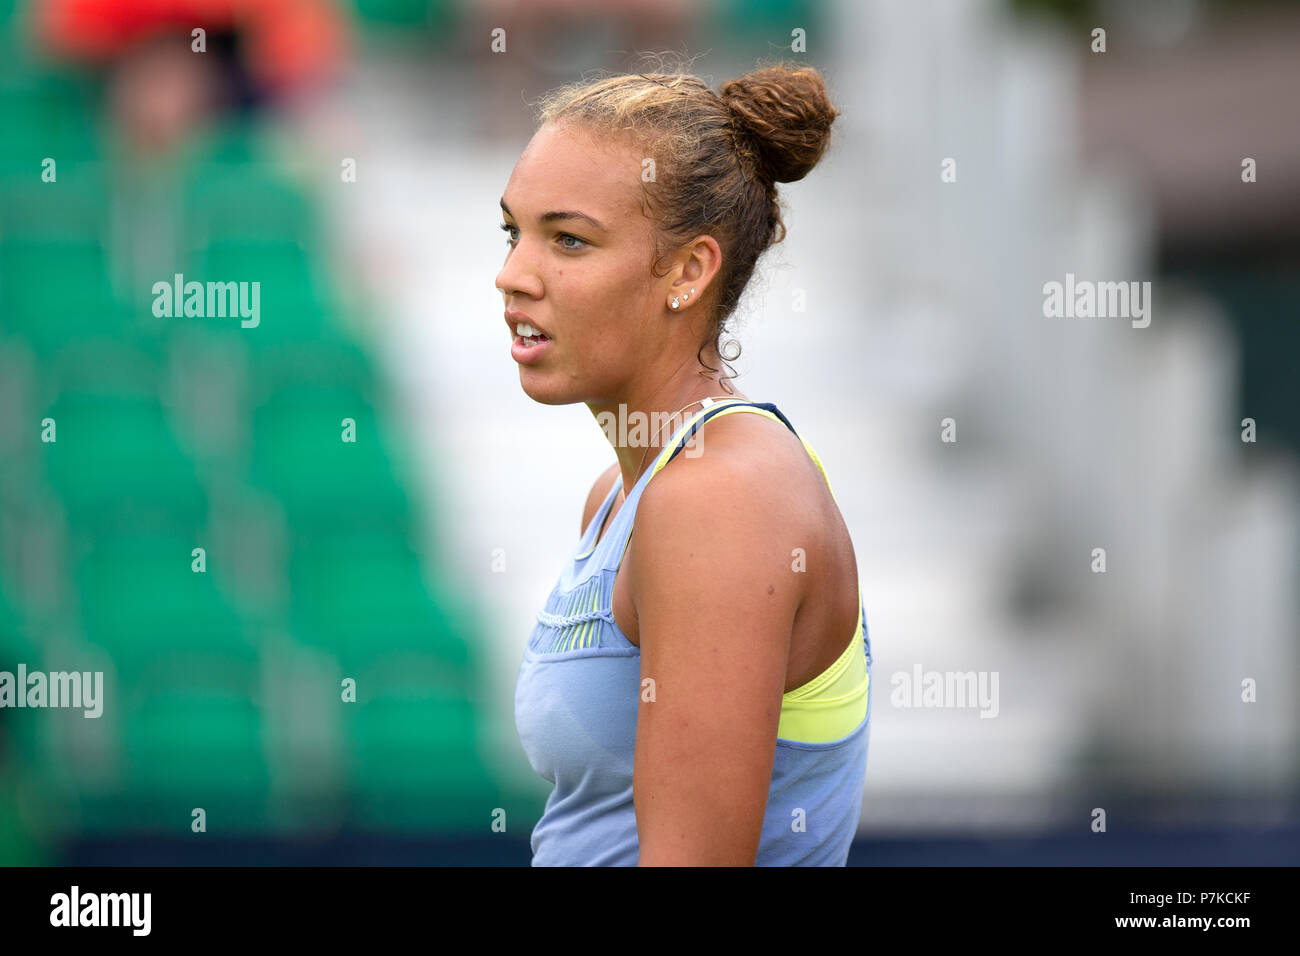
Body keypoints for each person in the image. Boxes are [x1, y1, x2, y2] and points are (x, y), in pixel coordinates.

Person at [499, 57, 871, 866]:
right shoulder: (619, 494)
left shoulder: (719, 500)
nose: (513, 275)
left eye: (568, 240)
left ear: (690, 271)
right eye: (513, 232)